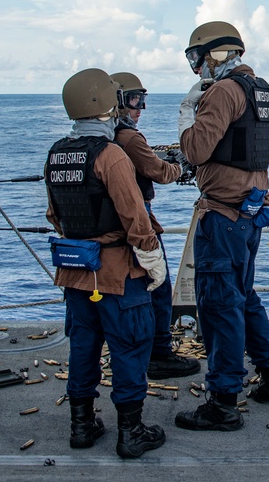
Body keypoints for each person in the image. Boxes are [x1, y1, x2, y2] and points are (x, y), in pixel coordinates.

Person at [173, 21, 269, 432]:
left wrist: (189, 112)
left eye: (198, 59)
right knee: (243, 297)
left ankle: (223, 401)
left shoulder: (222, 92)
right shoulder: (262, 89)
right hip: (250, 213)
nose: (197, 70)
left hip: (223, 216)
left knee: (220, 306)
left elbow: (195, 149)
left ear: (216, 55)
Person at [44, 68, 166, 459]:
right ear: (107, 105)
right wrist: (151, 258)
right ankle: (131, 432)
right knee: (130, 346)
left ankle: (82, 426)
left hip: (76, 273)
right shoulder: (111, 155)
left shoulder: (57, 153)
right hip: (116, 273)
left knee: (83, 347)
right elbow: (135, 216)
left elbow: (54, 216)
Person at [110, 71, 201, 380]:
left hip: (111, 226)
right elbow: (157, 171)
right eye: (135, 100)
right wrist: (180, 166)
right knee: (159, 289)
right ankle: (159, 354)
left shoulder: (102, 135)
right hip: (138, 219)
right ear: (118, 101)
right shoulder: (129, 137)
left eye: (142, 100)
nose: (140, 108)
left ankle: (132, 350)